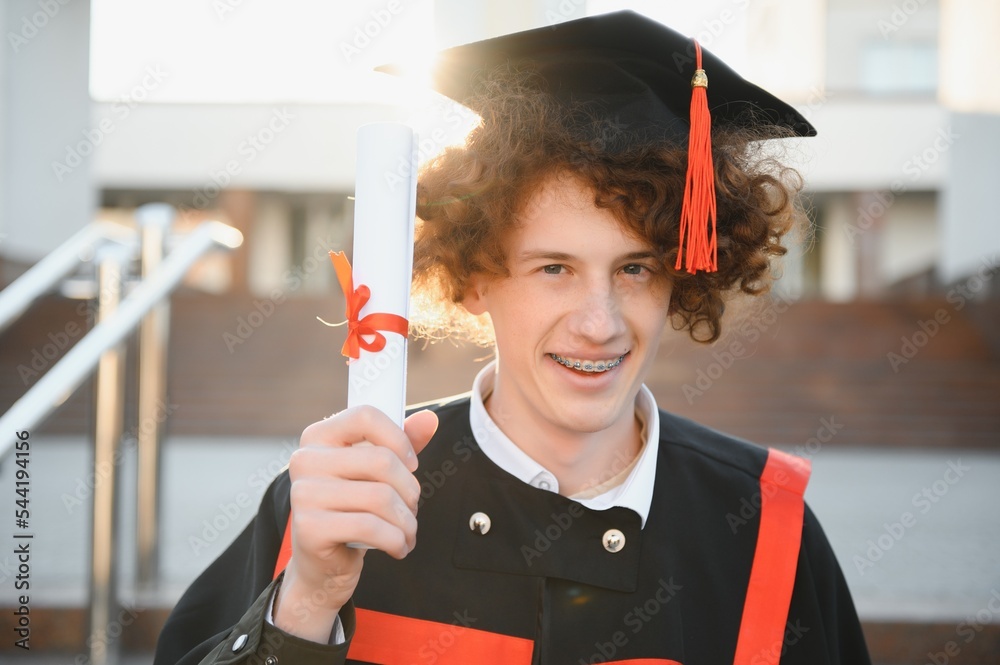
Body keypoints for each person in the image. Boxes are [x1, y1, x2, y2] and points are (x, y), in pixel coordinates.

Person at [155, 11, 872, 665]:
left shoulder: (762, 526)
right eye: (554, 267)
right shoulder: (348, 498)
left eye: (635, 268)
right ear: (475, 277)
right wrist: (307, 602)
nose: (600, 321)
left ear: (680, 279)